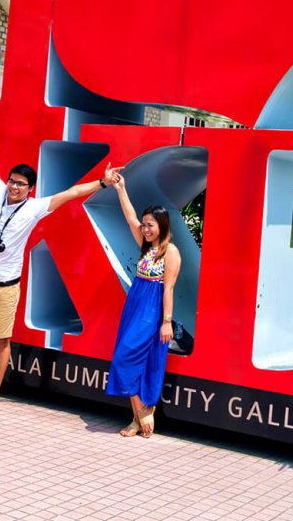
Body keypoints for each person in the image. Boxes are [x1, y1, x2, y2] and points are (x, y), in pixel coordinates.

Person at [0, 101, 121, 415]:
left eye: (21, 184)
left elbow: (71, 193)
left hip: (5, 286)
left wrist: (103, 181)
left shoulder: (33, 208)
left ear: (30, 189)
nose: (14, 187)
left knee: (1, 341)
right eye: (12, 181)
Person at [106, 173, 181, 437]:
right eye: (145, 225)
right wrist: (121, 188)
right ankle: (139, 415)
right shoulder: (146, 247)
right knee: (128, 358)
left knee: (131, 357)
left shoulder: (170, 252)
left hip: (152, 310)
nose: (145, 229)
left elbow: (169, 287)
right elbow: (129, 217)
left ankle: (142, 413)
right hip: (134, 305)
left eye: (150, 225)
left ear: (162, 224)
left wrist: (167, 321)